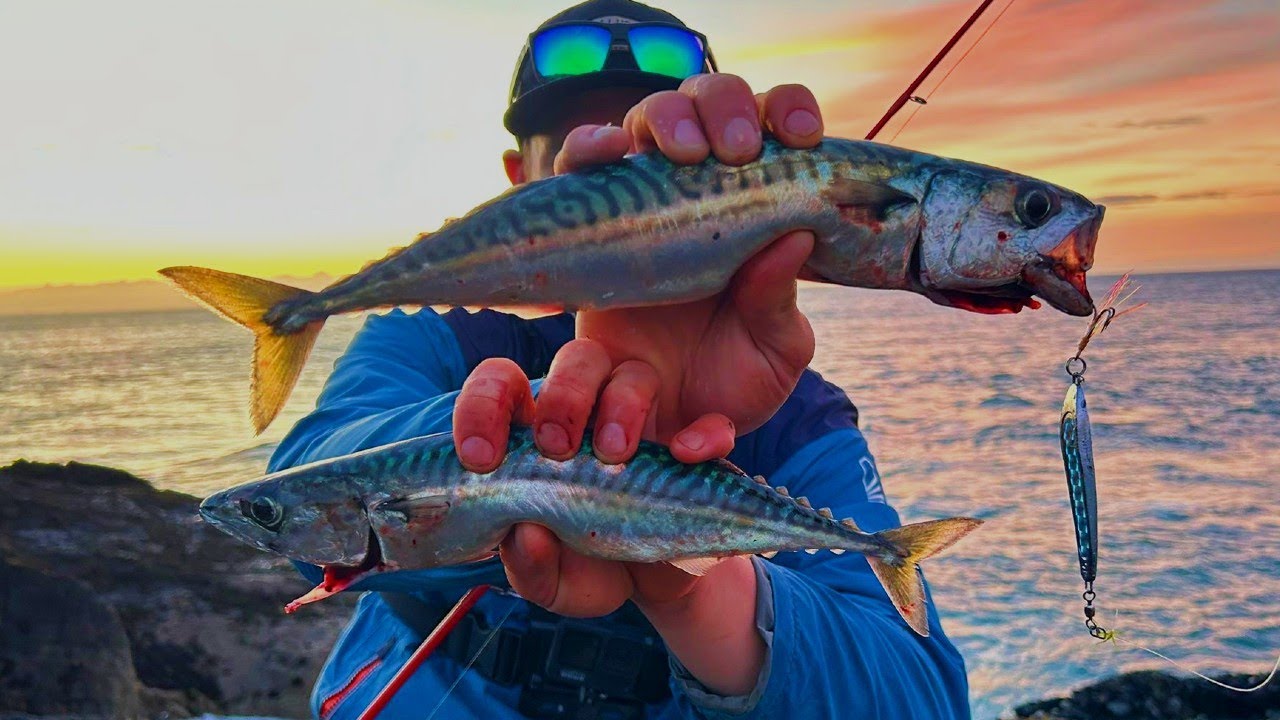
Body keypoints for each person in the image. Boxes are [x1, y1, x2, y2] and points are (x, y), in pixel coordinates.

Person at [268, 1, 970, 717]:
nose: (636, 205)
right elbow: (302, 518)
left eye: (665, 172)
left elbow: (921, 702)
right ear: (522, 181)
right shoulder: (434, 341)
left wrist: (700, 590)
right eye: (590, 160)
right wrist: (548, 428)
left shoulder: (797, 417)